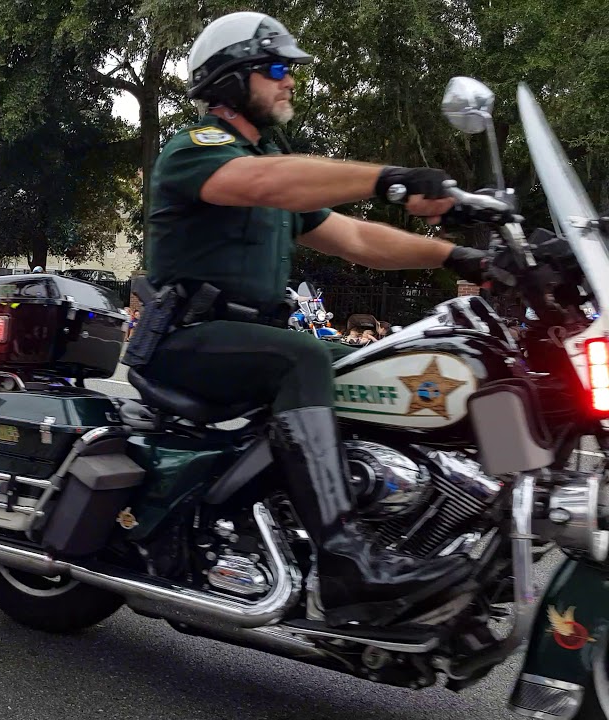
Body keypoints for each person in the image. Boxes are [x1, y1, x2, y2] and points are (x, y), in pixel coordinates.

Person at [139, 11, 489, 626]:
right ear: (229, 81)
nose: (290, 81)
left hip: (251, 341)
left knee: (378, 367)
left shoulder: (273, 171)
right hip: (185, 341)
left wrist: (462, 256)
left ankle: (406, 526)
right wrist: (389, 179)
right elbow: (270, 181)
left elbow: (357, 239)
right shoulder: (198, 151)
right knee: (301, 356)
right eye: (276, 69)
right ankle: (345, 561)